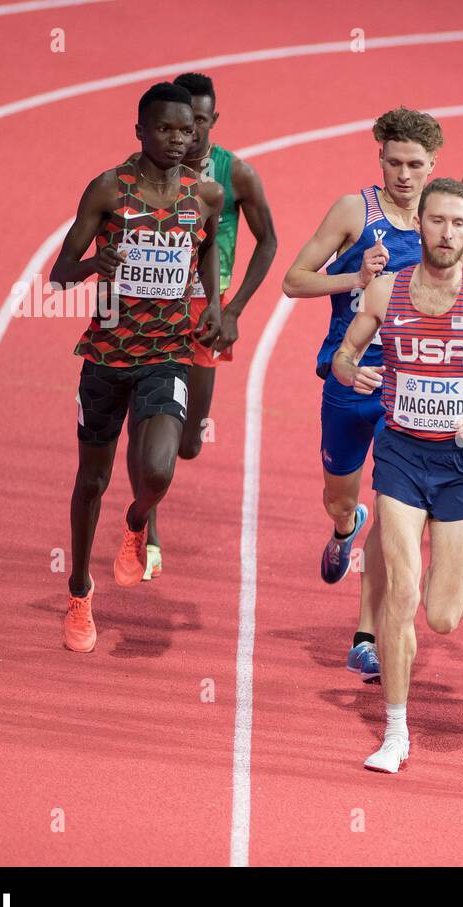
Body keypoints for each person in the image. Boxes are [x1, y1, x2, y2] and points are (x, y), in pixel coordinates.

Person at [332, 179, 463, 772]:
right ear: (419, 224)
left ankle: (432, 617)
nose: (447, 234)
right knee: (401, 591)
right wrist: (353, 374)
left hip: (462, 465)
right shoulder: (385, 290)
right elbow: (344, 356)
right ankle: (395, 732)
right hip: (401, 454)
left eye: (458, 224)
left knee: (443, 616)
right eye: (436, 222)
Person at [52, 82, 228, 652]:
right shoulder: (108, 188)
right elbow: (58, 272)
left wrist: (217, 310)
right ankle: (79, 590)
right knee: (92, 481)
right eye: (165, 129)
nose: (179, 138)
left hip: (168, 351)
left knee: (158, 470)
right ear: (140, 132)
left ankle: (136, 525)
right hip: (106, 354)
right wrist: (90, 266)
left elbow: (206, 253)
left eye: (186, 129)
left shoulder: (205, 195)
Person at [283, 107, 444, 683]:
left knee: (394, 511)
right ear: (380, 158)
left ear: (433, 165)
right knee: (342, 496)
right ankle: (340, 526)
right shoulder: (356, 211)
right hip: (349, 379)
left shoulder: (441, 221)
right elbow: (294, 279)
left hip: (410, 390)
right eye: (395, 162)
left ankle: (366, 635)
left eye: (415, 165)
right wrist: (354, 278)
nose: (405, 175)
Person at [128, 72, 279, 580]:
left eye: (197, 122)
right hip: (151, 312)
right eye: (176, 123)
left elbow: (269, 241)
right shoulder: (147, 170)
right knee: (150, 419)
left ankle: (154, 489)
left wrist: (232, 310)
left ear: (213, 120)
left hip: (205, 315)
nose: (185, 133)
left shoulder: (235, 176)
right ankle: (146, 531)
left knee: (190, 440)